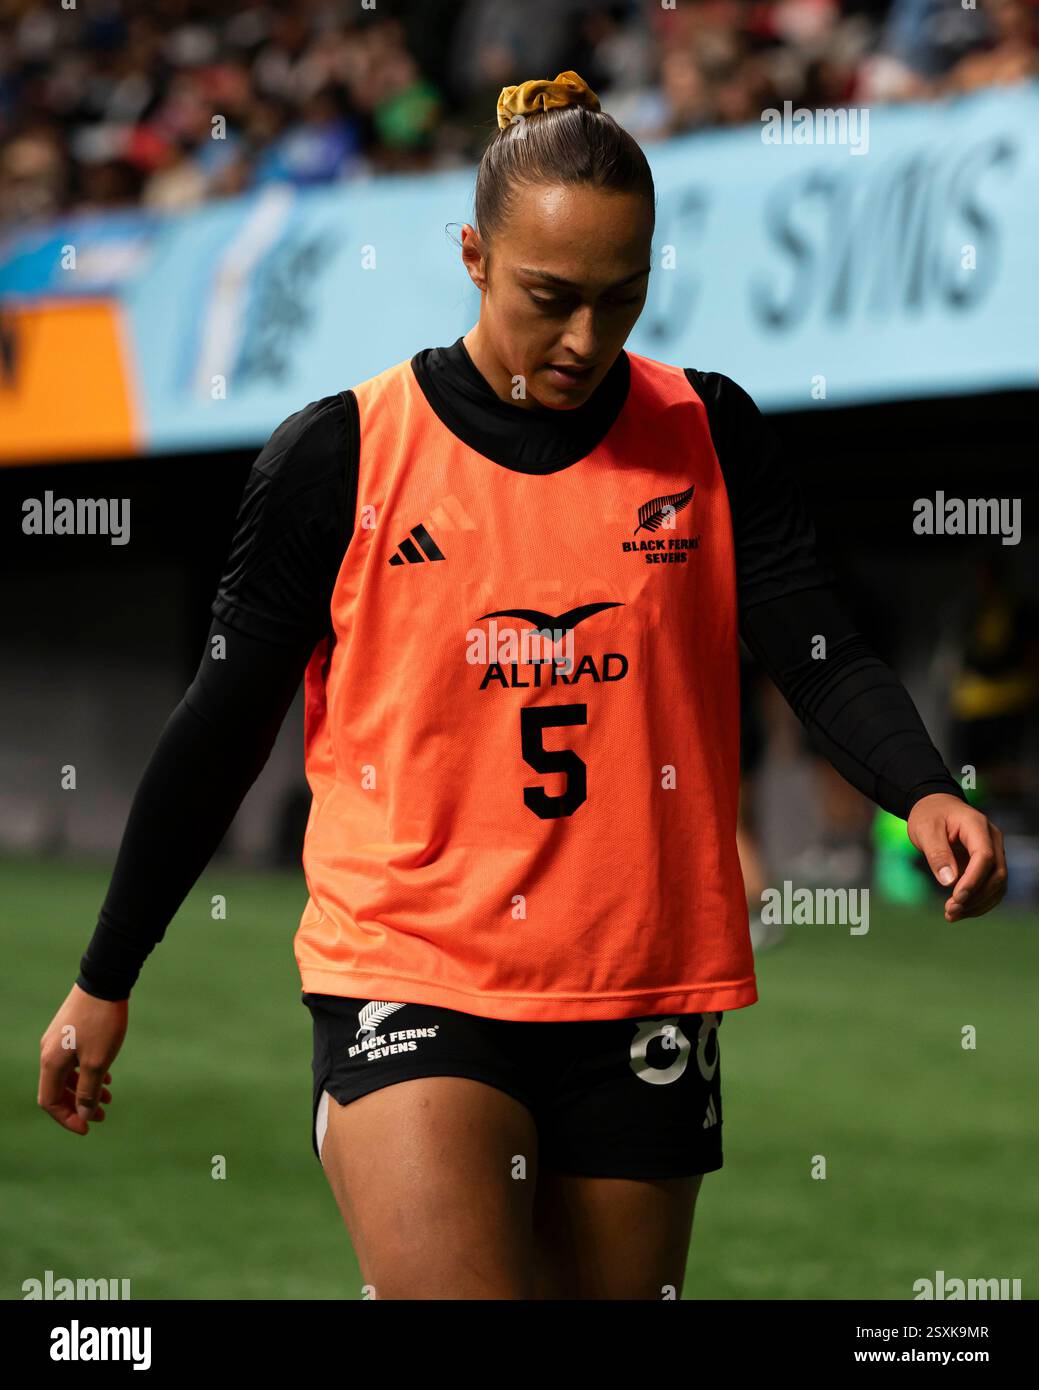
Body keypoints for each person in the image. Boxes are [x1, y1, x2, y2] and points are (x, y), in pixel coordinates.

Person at [37, 71, 1008, 1301]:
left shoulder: (707, 434)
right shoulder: (340, 456)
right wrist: (104, 977)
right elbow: (220, 728)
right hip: (413, 966)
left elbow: (812, 643)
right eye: (551, 299)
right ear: (473, 256)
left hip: (640, 982)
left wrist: (920, 786)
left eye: (622, 299)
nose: (586, 341)